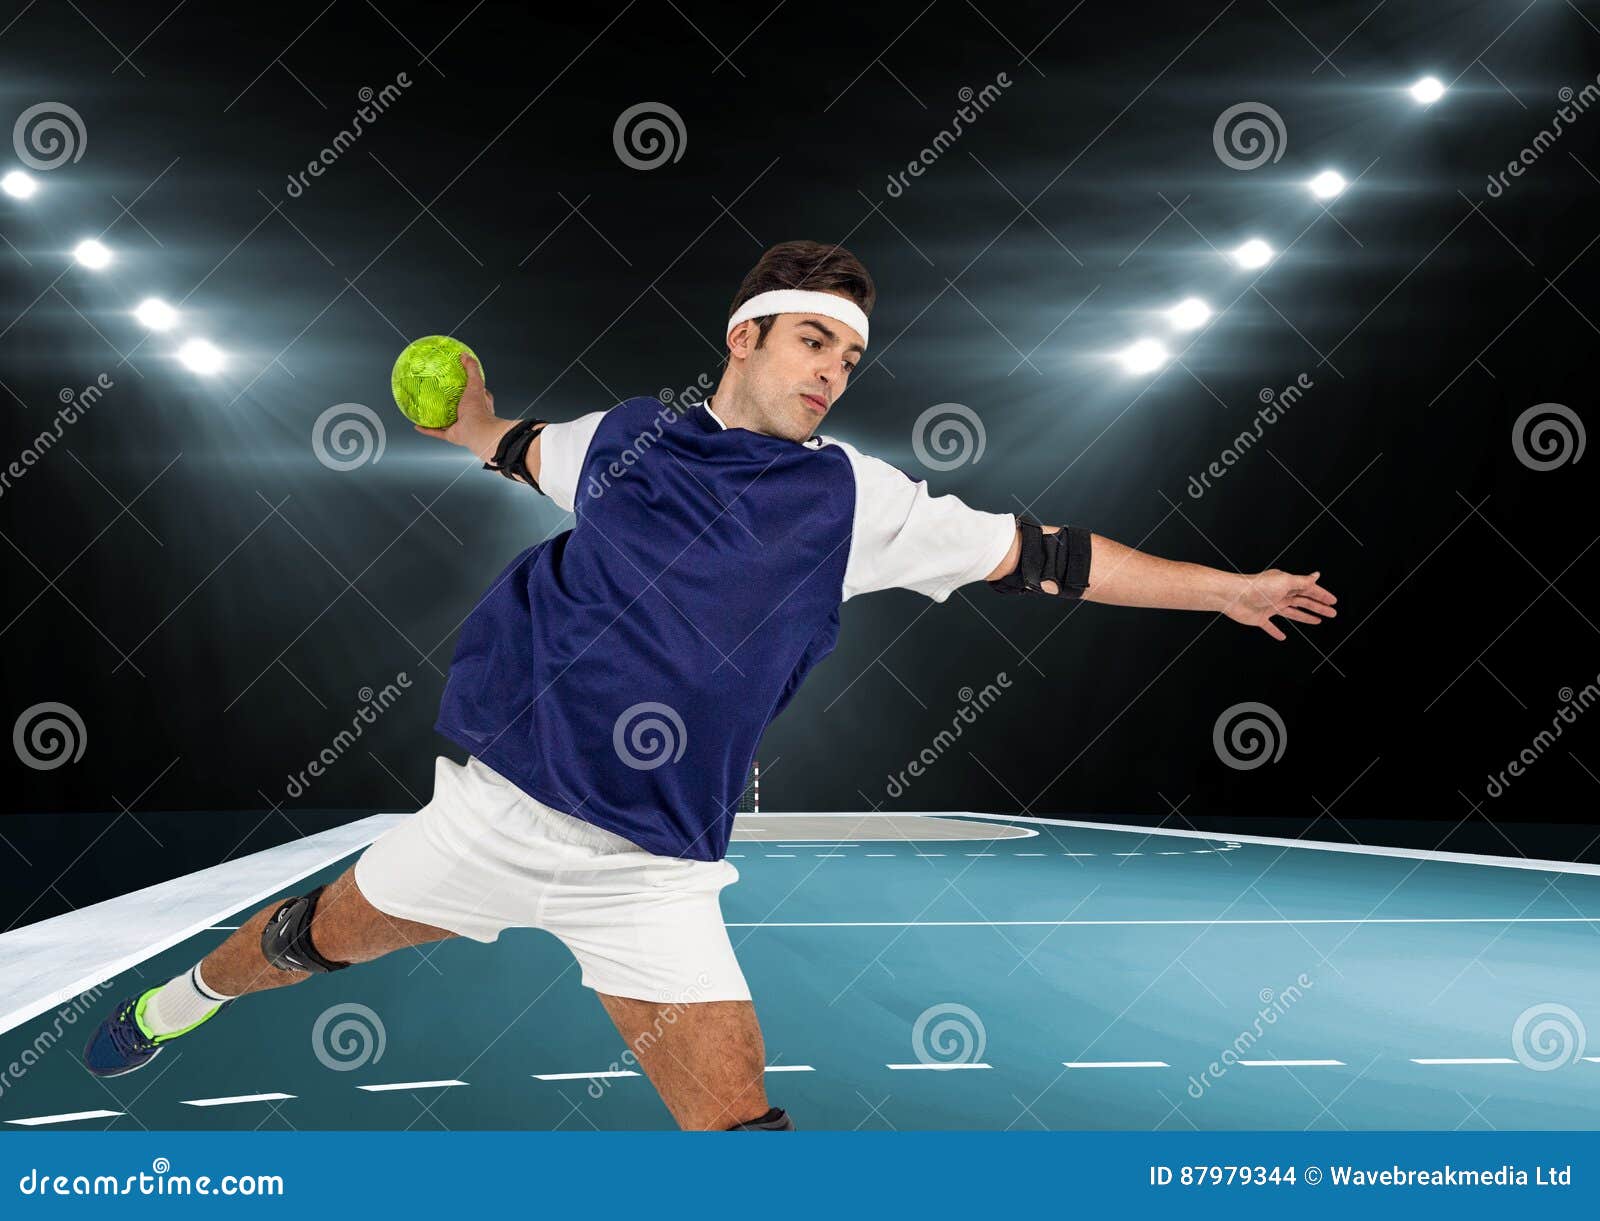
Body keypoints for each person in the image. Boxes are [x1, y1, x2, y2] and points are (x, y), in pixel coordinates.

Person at [85, 240, 1336, 1128]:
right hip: (489, 814)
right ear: (746, 335)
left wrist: (1223, 589)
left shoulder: (857, 499)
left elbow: (1055, 559)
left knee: (737, 1125)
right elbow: (514, 448)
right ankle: (179, 1002)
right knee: (308, 944)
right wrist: (467, 419)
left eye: (848, 357)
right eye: (812, 341)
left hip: (654, 871)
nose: (832, 372)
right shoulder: (625, 441)